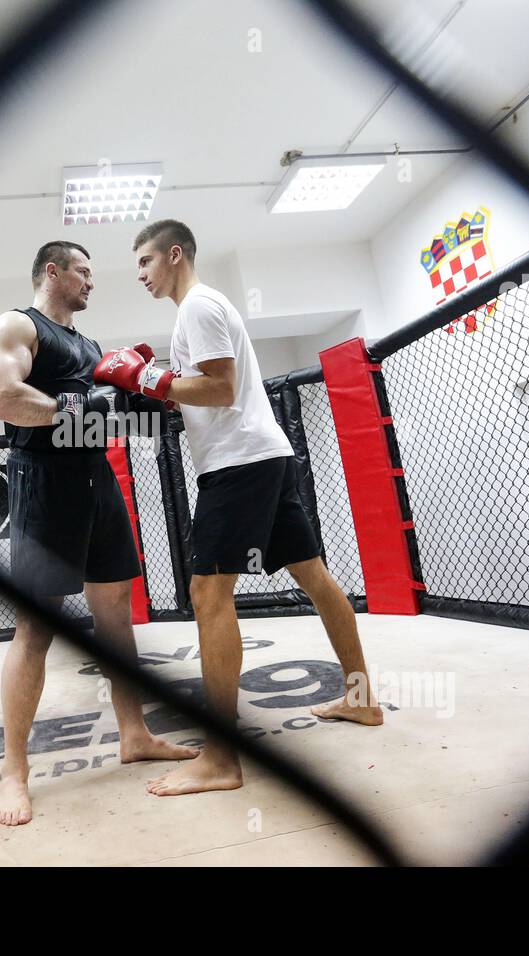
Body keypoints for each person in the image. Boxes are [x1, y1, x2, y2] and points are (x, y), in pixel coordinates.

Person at [93, 219, 383, 798]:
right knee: (316, 577)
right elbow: (209, 396)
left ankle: (222, 758)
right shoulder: (200, 309)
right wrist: (156, 391)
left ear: (175, 255)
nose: (142, 275)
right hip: (263, 454)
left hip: (237, 465)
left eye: (146, 262)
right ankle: (361, 697)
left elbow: (221, 389)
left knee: (209, 595)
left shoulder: (197, 306)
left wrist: (152, 378)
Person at [0, 239, 198, 826]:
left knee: (116, 614)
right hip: (44, 484)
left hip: (95, 478)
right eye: (83, 271)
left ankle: (134, 733)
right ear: (52, 271)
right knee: (36, 629)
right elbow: (2, 397)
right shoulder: (17, 325)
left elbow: (105, 412)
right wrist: (77, 410)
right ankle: (14, 772)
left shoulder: (90, 346)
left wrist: (146, 403)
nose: (91, 283)